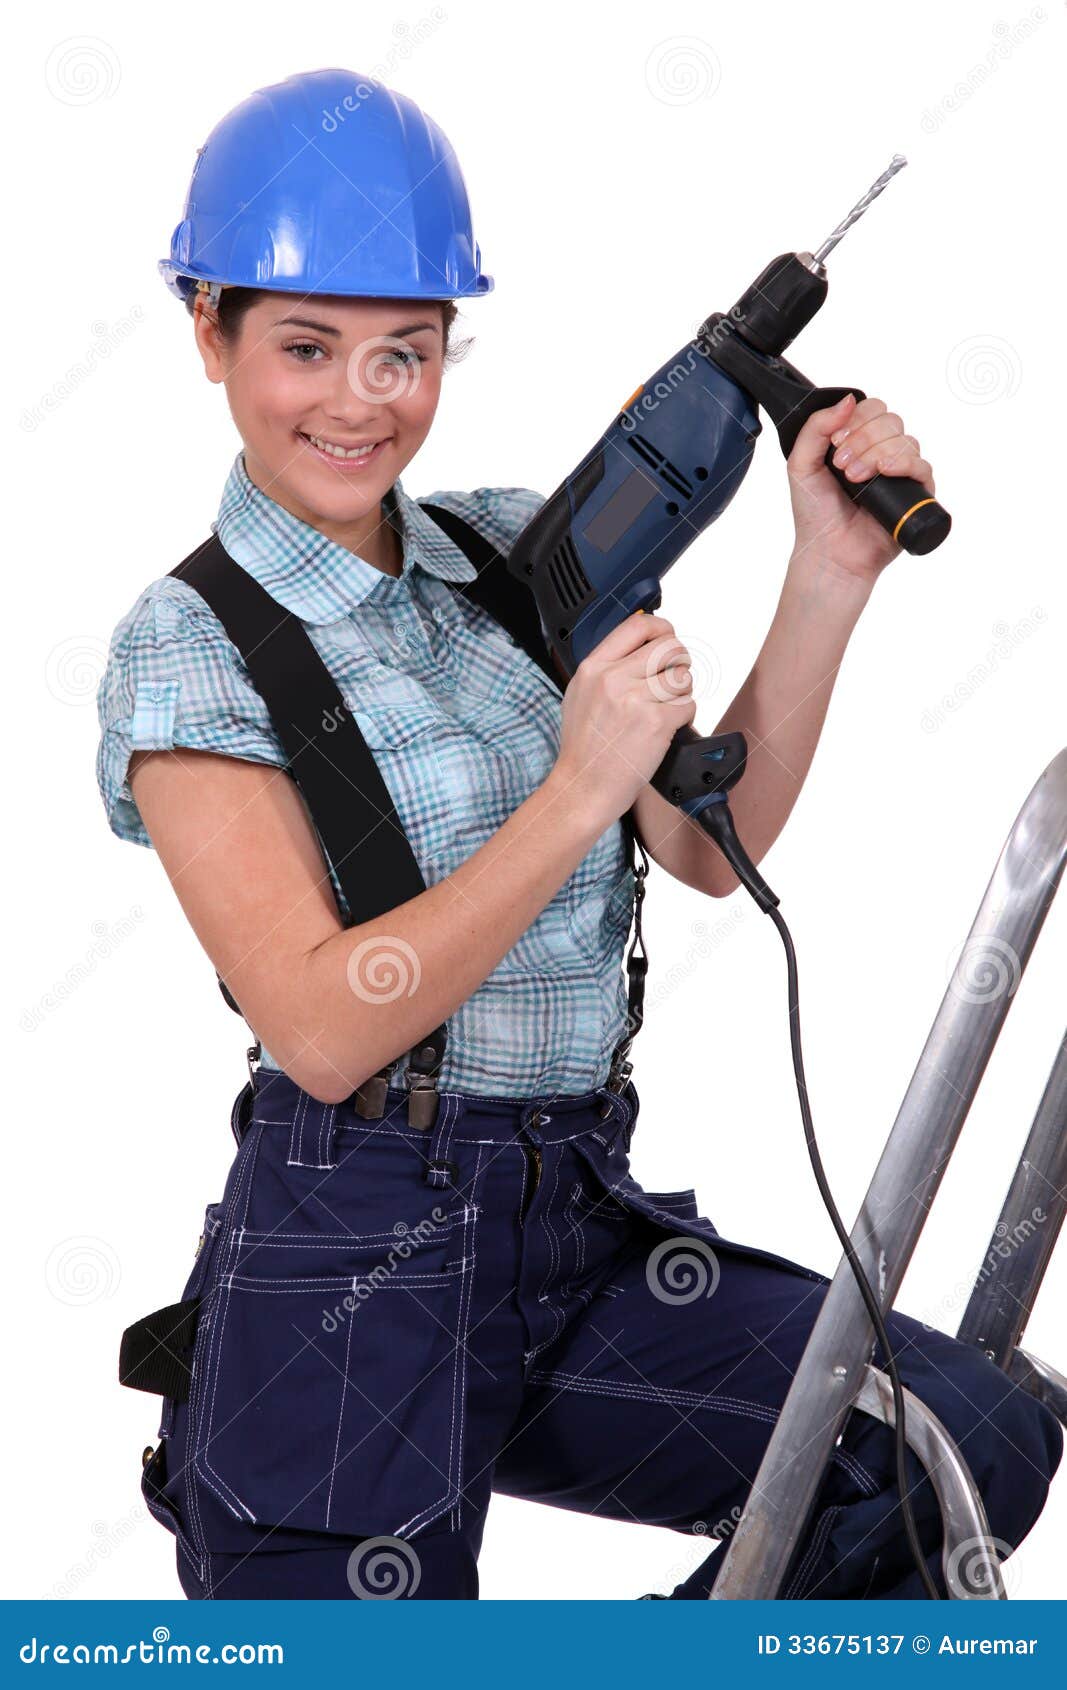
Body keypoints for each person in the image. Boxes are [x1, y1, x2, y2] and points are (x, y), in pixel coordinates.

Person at [96, 68, 1062, 1601]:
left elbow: (700, 845)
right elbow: (321, 1031)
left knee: (969, 1443)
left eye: (404, 352)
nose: (361, 399)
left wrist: (825, 578)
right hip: (350, 1256)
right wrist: (570, 793)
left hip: (576, 1230)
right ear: (207, 330)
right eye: (305, 347)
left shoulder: (506, 550)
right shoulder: (190, 641)